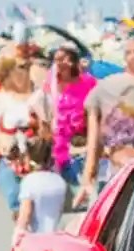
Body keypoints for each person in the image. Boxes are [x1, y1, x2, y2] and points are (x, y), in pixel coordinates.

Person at [74, 35, 134, 206]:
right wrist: (88, 176)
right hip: (122, 164)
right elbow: (94, 139)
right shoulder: (107, 88)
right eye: (128, 52)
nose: (133, 56)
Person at [0, 53, 42, 220]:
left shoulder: (38, 96)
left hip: (34, 158)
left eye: (26, 67)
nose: (24, 72)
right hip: (10, 158)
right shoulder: (2, 99)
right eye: (20, 68)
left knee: (34, 207)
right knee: (18, 205)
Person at [41, 45, 97, 186]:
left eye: (64, 59)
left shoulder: (88, 82)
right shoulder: (51, 84)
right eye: (56, 60)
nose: (59, 63)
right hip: (62, 142)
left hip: (85, 140)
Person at [15, 138, 68, 241]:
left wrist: (17, 236)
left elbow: (26, 215)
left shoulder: (29, 181)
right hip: (57, 237)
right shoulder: (60, 181)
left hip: (36, 239)